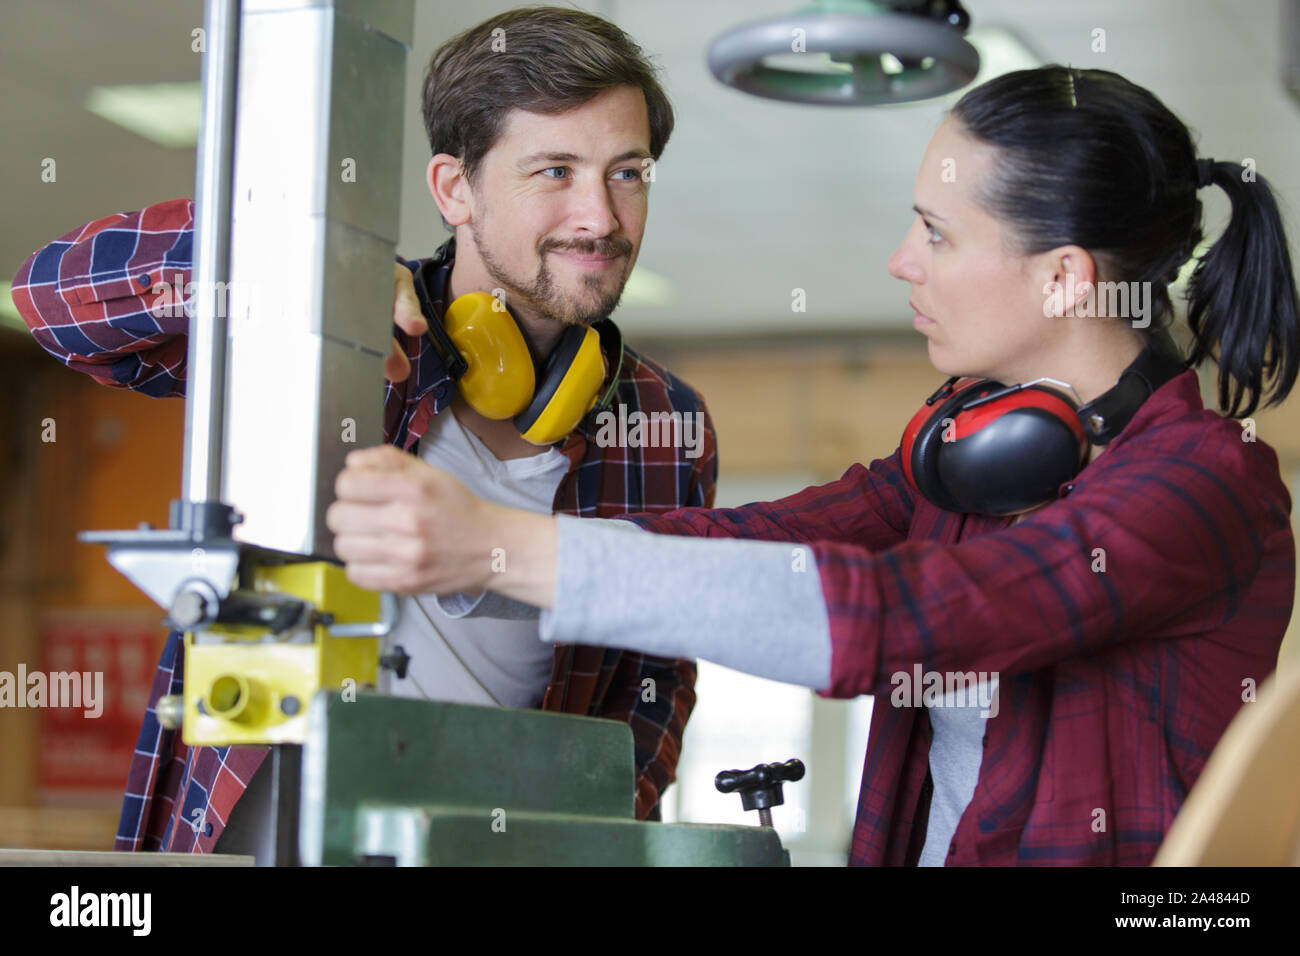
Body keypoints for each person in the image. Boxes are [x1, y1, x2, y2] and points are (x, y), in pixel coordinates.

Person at [328, 66, 1299, 866]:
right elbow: (768, 536)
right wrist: (481, 547)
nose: (900, 261)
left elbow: (903, 613)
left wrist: (499, 552)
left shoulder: (1207, 482)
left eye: (936, 231)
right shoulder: (964, 445)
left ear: (1063, 276)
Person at [9, 6, 717, 853]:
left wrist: (581, 838)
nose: (599, 216)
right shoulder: (326, 333)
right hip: (260, 839)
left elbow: (657, 682)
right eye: (555, 171)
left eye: (627, 172)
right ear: (455, 188)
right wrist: (289, 262)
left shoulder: (666, 423)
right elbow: (53, 302)